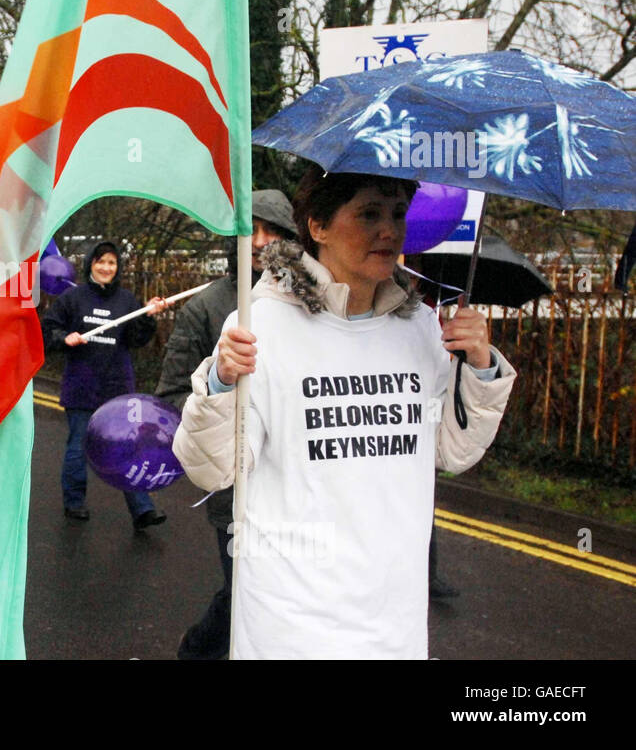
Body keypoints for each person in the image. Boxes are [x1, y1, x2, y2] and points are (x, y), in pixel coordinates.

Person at [172, 167, 517, 659]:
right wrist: (221, 381)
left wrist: (480, 369)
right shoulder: (260, 322)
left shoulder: (420, 326)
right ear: (318, 226)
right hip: (291, 618)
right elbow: (211, 467)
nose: (389, 230)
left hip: (392, 616)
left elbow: (453, 450)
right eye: (369, 213)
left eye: (398, 213)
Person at [155, 189, 296, 660]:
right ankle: (197, 652)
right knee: (243, 592)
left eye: (271, 230)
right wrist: (219, 391)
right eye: (249, 230)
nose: (259, 241)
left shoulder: (311, 307)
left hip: (296, 484)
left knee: (286, 597)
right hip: (234, 486)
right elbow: (172, 394)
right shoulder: (207, 308)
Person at [41, 241, 170, 530]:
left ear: (117, 268)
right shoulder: (73, 299)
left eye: (111, 263)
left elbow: (137, 339)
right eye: (101, 262)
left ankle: (142, 509)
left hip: (117, 389)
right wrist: (64, 338)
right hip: (81, 387)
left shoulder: (126, 301)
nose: (106, 267)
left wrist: (148, 317)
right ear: (90, 264)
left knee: (128, 448)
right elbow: (47, 328)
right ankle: (74, 502)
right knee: (78, 447)